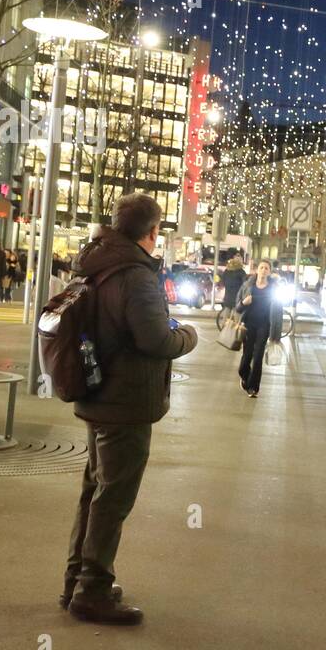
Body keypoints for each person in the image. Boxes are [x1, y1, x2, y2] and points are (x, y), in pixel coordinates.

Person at [61, 193, 198, 625]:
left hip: (97, 393)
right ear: (152, 232)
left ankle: (77, 582)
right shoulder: (136, 276)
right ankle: (92, 592)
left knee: (95, 491)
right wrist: (187, 336)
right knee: (112, 497)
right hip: (125, 402)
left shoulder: (97, 265)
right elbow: (156, 340)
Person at [236, 259, 279, 397]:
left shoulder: (274, 289)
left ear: (269, 272)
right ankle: (244, 375)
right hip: (248, 325)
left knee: (258, 356)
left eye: (266, 268)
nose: (263, 270)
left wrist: (275, 334)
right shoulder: (248, 286)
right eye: (261, 267)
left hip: (264, 326)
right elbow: (237, 307)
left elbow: (278, 311)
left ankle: (253, 388)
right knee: (247, 356)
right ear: (256, 270)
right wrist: (244, 302)